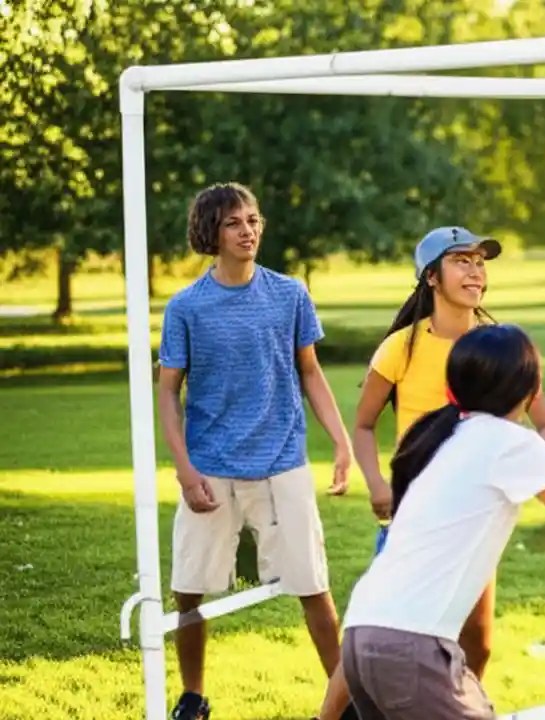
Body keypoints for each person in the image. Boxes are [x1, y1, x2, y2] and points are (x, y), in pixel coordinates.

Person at [316, 226, 545, 720]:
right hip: (413, 510)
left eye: (481, 262)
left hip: (474, 512)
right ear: (431, 276)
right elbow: (365, 425)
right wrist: (377, 484)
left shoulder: (497, 349)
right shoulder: (402, 348)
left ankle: (452, 705)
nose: (476, 271)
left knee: (477, 641)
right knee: (379, 624)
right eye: (463, 261)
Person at [338, 324, 545, 719]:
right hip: (409, 646)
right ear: (530, 388)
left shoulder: (443, 435)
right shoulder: (511, 444)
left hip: (362, 635)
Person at [156, 182, 353, 720]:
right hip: (210, 468)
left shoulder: (289, 294)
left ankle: (343, 701)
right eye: (235, 223)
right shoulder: (187, 307)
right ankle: (193, 696)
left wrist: (340, 441)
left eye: (254, 219)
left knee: (313, 586)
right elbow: (168, 390)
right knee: (189, 592)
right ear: (211, 234)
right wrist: (183, 467)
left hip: (281, 463)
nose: (249, 230)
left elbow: (309, 372)